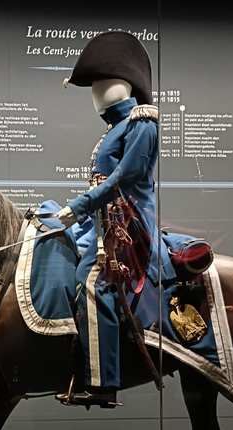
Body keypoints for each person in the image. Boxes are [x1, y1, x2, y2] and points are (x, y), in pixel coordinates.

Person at [56, 32, 160, 406]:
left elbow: (123, 179)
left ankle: (103, 383)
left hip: (129, 226)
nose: (97, 92)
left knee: (95, 282)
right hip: (104, 223)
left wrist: (80, 205)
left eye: (103, 83)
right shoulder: (114, 130)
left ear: (126, 84)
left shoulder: (142, 123)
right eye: (94, 86)